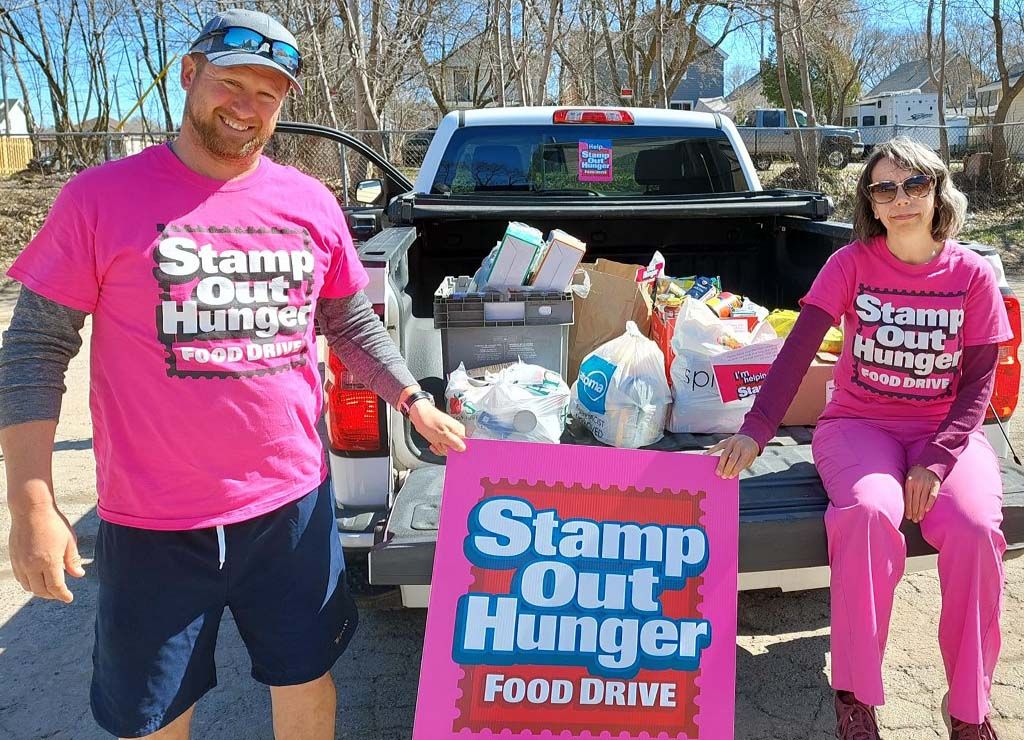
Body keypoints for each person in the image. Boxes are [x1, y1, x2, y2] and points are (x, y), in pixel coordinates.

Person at [0, 8, 465, 739]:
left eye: (268, 95)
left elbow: (347, 321)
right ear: (189, 75)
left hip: (293, 506)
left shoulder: (309, 203)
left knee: (305, 679)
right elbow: (34, 345)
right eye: (232, 84)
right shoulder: (98, 198)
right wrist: (31, 502)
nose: (248, 108)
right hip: (155, 520)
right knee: (154, 712)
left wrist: (409, 396)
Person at [709, 137, 1010, 740]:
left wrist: (937, 459)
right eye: (884, 188)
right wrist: (757, 429)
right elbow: (797, 351)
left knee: (976, 532)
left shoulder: (972, 274)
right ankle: (856, 695)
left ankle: (969, 712)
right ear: (870, 202)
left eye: (914, 185)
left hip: (943, 433)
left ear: (936, 190)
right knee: (869, 515)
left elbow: (980, 381)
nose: (900, 200)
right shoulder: (850, 263)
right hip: (858, 426)